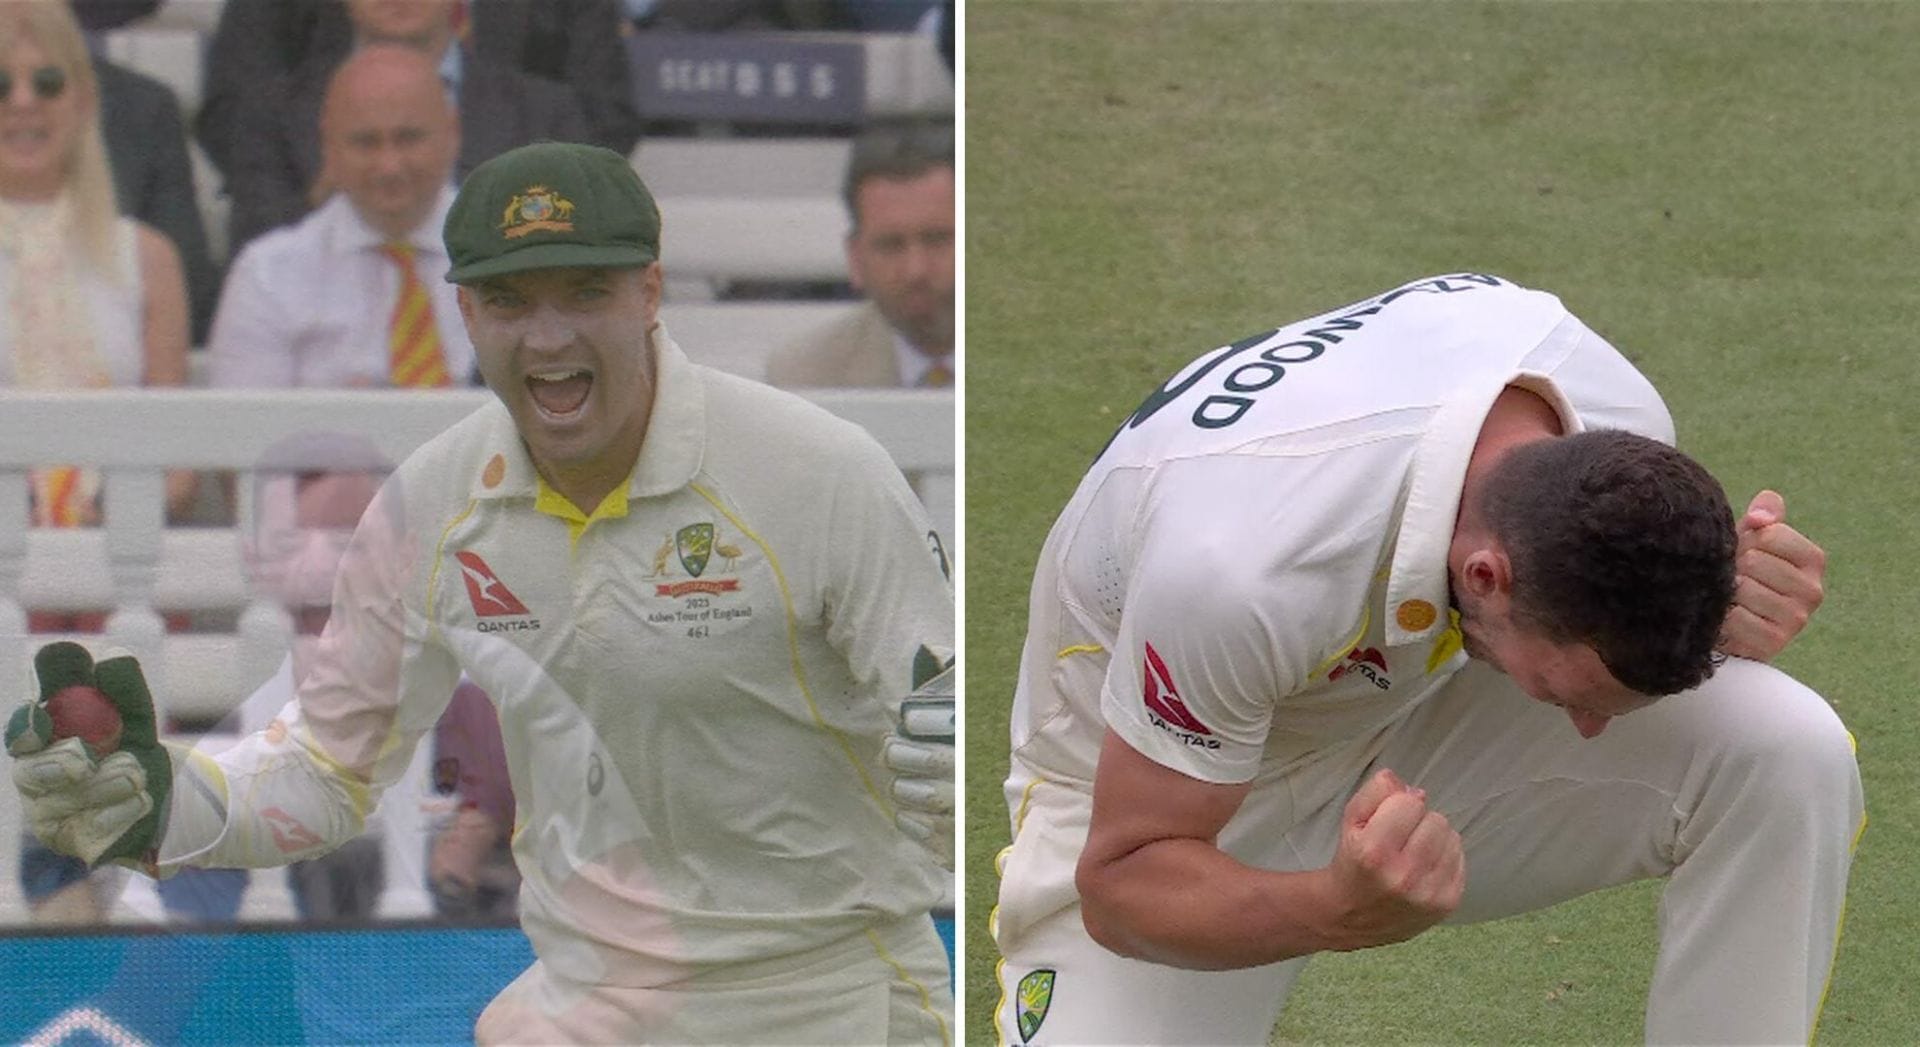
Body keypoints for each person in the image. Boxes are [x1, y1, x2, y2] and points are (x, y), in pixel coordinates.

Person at [9, 140, 955, 1044]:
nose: (549, 339)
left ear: (651, 292)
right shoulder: (433, 501)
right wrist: (157, 800)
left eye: (587, 292)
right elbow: (325, 772)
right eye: (509, 300)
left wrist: (952, 772)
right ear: (465, 311)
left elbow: (948, 730)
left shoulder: (816, 473)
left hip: (826, 988)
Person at [989, 273, 1861, 1045]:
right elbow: (1122, 885)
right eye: (1568, 694)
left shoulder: (1608, 415)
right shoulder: (1239, 569)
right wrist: (1335, 908)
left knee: (1784, 749)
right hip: (1166, 805)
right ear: (1487, 574)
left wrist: (1726, 605)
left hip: (1408, 717)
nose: (1588, 730)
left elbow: (1614, 610)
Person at [0, 0, 193, 925]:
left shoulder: (146, 258)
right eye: (0, 84)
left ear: (83, 99)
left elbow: (183, 468)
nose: (22, 103)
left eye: (46, 81)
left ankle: (103, 885)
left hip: (113, 575)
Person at [221, 0, 592, 256]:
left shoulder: (546, 114)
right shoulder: (271, 112)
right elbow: (253, 248)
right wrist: (330, 200)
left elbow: (572, 253)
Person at [207, 44, 476, 390]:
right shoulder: (267, 274)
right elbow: (239, 433)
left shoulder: (510, 259)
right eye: (366, 142)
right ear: (328, 147)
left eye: (408, 138)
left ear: (452, 134)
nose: (389, 165)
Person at [196, 0, 638, 189]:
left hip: (504, 275)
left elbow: (601, 127)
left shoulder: (544, 109)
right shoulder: (273, 113)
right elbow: (234, 124)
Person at [767, 119, 955, 389]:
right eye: (890, 245)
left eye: (937, 240)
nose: (916, 270)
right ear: (855, 258)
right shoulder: (805, 376)